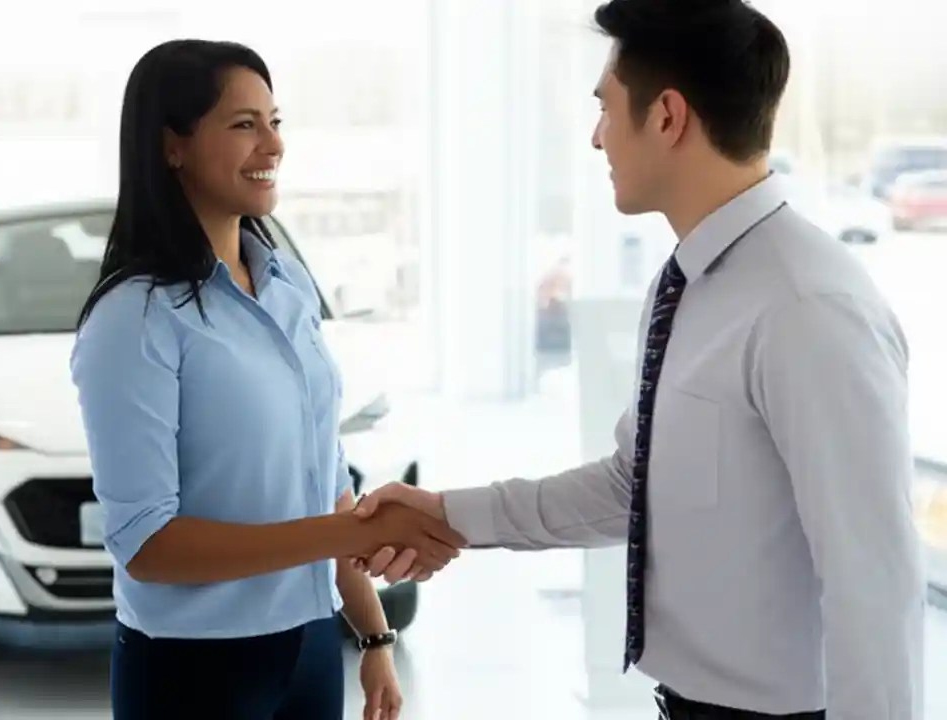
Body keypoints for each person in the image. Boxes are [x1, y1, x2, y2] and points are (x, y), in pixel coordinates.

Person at [355, 1, 926, 718]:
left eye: (605, 108)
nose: (596, 139)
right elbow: (636, 487)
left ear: (666, 117)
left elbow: (873, 581)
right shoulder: (689, 278)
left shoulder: (804, 306)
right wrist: (445, 513)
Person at [70, 39, 464, 720]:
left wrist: (372, 633)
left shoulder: (286, 286)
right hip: (191, 669)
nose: (273, 145)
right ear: (173, 146)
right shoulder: (133, 318)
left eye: (275, 122)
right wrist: (348, 537)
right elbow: (147, 544)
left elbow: (323, 475)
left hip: (309, 649)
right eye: (244, 124)